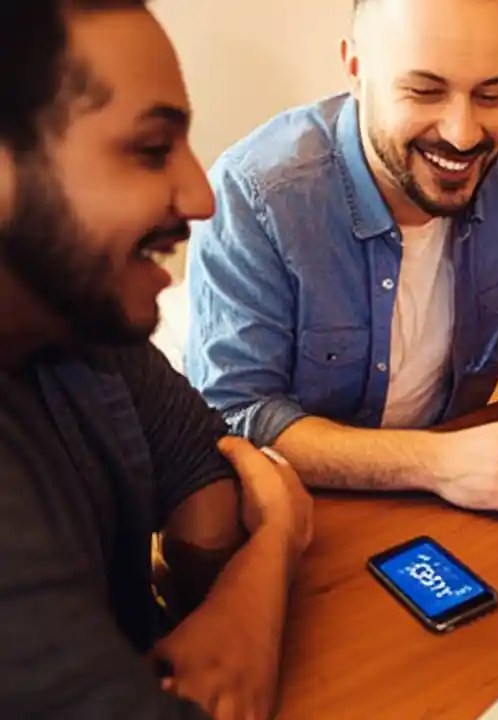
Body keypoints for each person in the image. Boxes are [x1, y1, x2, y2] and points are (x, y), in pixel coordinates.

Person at [0, 2, 312, 718]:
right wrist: (276, 549)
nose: (201, 196)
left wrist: (234, 573)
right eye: (150, 149)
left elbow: (211, 478)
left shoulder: (81, 331)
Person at [185, 0, 498, 516]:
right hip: (299, 508)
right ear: (356, 71)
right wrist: (431, 462)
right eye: (425, 91)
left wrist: (450, 461)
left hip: (453, 493)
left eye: (490, 95)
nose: (463, 133)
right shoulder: (258, 196)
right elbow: (237, 415)